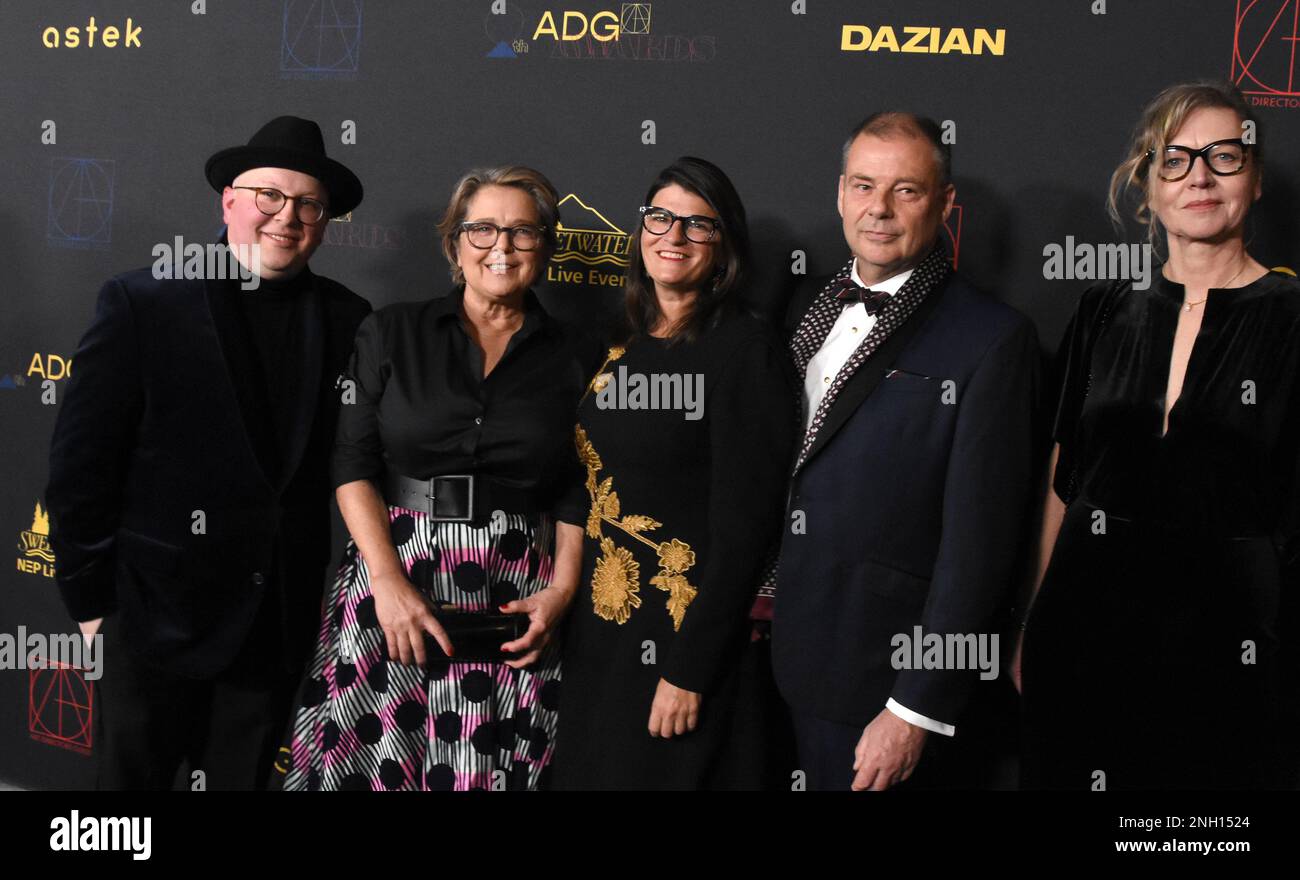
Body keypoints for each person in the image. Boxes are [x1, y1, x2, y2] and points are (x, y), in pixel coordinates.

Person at [45, 116, 371, 789]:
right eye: (269, 196)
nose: (288, 216)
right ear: (229, 200)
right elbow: (81, 466)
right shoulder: (145, 300)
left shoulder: (349, 318)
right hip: (149, 621)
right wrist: (90, 607)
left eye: (309, 204)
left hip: (271, 630)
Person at [1016, 81, 1300, 790]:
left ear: (1256, 178)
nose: (1199, 175)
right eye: (1175, 159)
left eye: (1223, 156)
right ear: (1148, 186)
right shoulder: (1104, 308)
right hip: (1082, 631)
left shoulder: (1294, 318)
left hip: (1232, 649)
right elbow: (1065, 478)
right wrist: (1035, 618)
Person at [281, 166, 590, 791]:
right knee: (374, 763)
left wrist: (559, 593)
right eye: (481, 229)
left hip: (514, 590)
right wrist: (386, 581)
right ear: (454, 244)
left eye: (521, 232)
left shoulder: (578, 354)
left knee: (484, 766)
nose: (500, 247)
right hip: (393, 574)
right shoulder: (391, 331)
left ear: (546, 247)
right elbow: (352, 464)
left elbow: (577, 487)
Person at [770, 113, 1039, 791]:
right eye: (864, 186)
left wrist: (914, 706)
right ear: (839, 194)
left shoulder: (991, 339)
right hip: (771, 663)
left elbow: (981, 545)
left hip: (877, 684)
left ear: (946, 205)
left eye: (906, 191)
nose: (879, 210)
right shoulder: (805, 307)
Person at [551, 157, 797, 790]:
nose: (674, 236)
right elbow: (587, 480)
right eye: (660, 217)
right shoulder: (619, 340)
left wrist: (689, 670)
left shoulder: (746, 350)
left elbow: (746, 533)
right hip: (601, 632)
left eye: (698, 225)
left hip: (684, 639)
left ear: (725, 247)